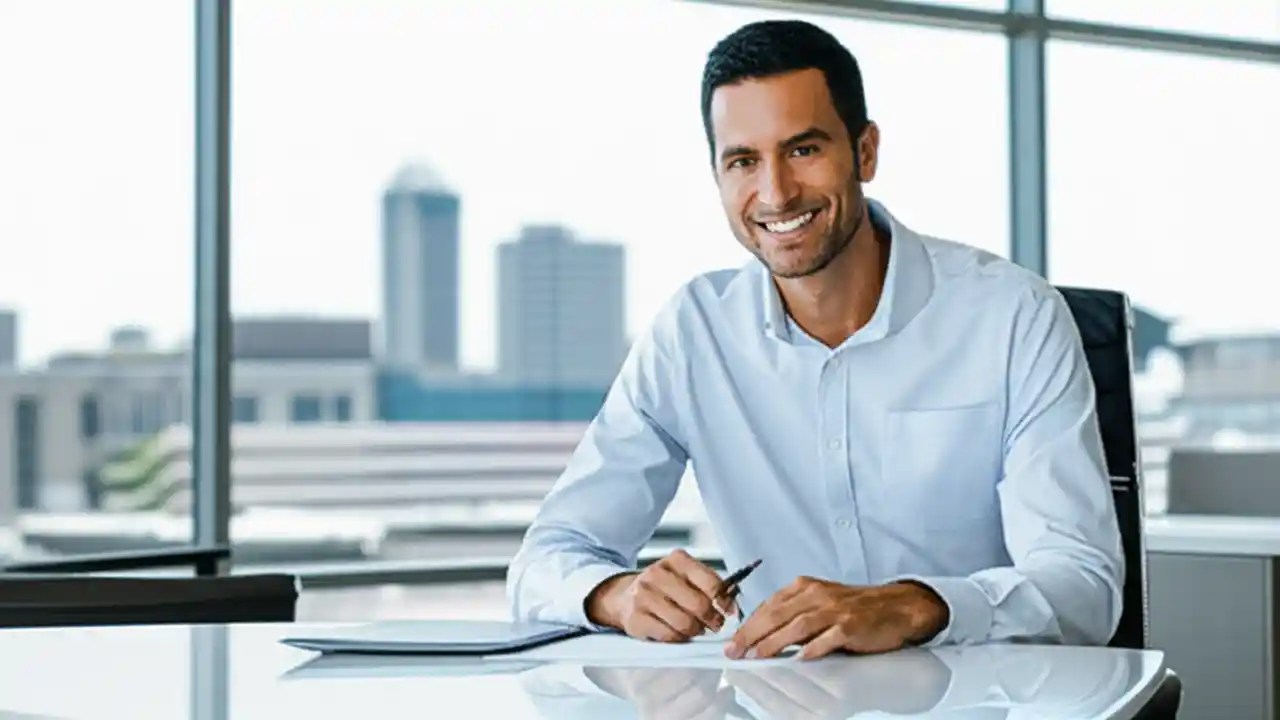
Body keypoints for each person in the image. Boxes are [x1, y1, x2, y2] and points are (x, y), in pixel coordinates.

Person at [506, 18, 1123, 661]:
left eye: (803, 149)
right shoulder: (694, 332)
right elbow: (543, 563)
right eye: (743, 161)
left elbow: (1084, 589)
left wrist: (918, 604)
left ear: (865, 153)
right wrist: (617, 594)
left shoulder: (1013, 316)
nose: (775, 193)